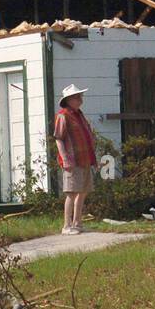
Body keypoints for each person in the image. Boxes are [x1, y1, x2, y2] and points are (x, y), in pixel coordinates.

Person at [53, 84, 96, 235]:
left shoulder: (80, 115)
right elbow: (58, 138)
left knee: (82, 191)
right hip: (72, 160)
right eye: (77, 97)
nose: (80, 100)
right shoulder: (62, 115)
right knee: (71, 192)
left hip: (85, 159)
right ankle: (66, 225)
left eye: (80, 97)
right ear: (68, 100)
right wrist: (65, 159)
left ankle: (77, 223)